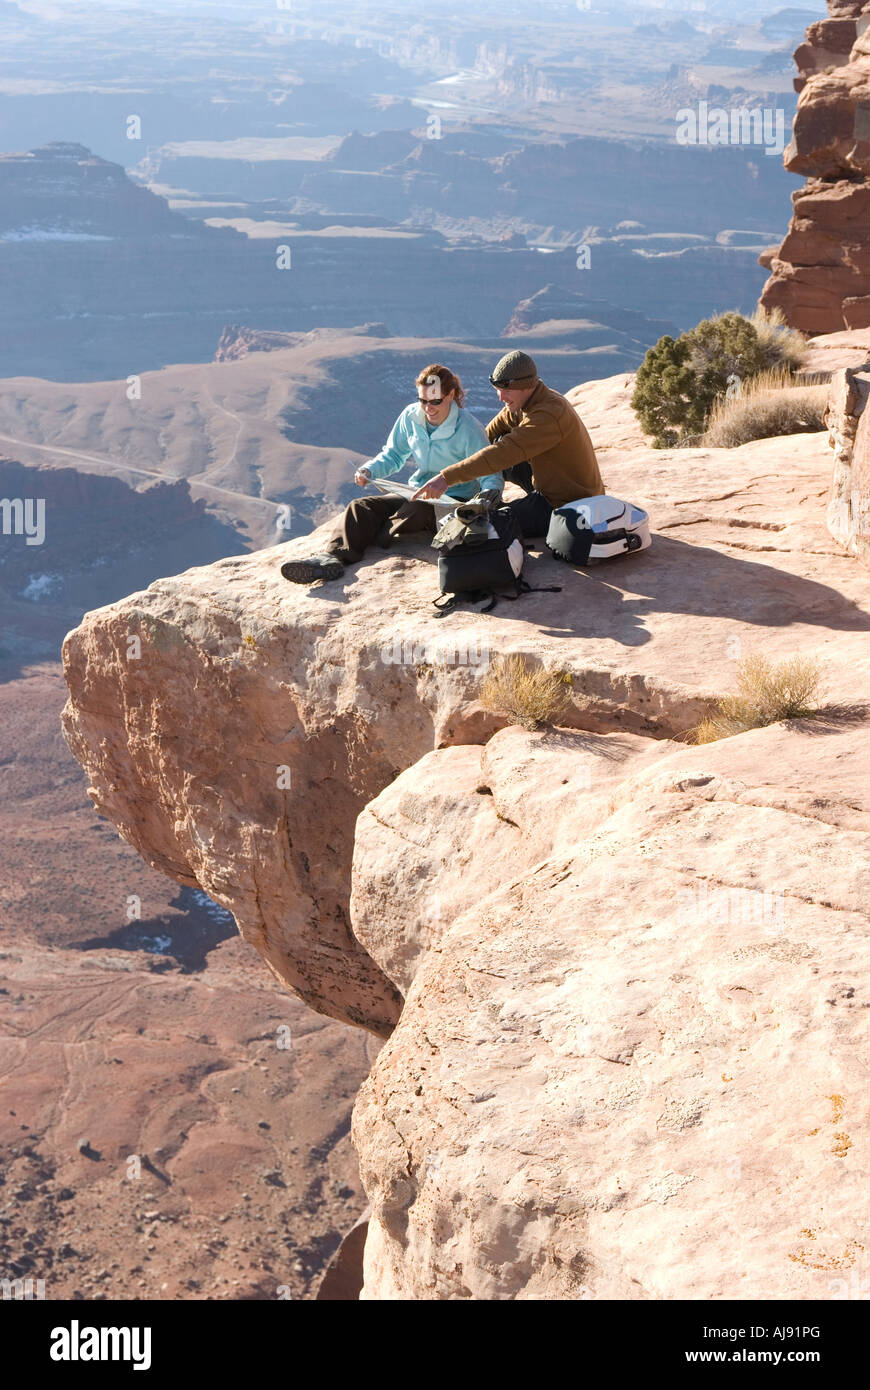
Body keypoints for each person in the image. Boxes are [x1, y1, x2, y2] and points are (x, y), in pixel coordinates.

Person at [281, 363, 503, 583]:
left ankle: (373, 534)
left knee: (415, 509)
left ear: (451, 395)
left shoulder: (468, 429)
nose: (428, 408)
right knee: (360, 507)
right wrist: (370, 469)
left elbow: (489, 473)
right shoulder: (410, 417)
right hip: (415, 491)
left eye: (435, 401)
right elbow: (394, 454)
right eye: (423, 401)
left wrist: (485, 500)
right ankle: (332, 558)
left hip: (452, 501)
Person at [412, 350, 603, 537]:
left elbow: (502, 453)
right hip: (549, 483)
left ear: (527, 385)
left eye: (506, 390)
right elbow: (488, 437)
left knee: (484, 524)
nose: (501, 397)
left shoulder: (548, 415)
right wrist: (461, 465)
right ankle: (482, 498)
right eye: (498, 390)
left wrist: (446, 477)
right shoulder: (525, 401)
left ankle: (489, 510)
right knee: (495, 443)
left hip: (568, 502)